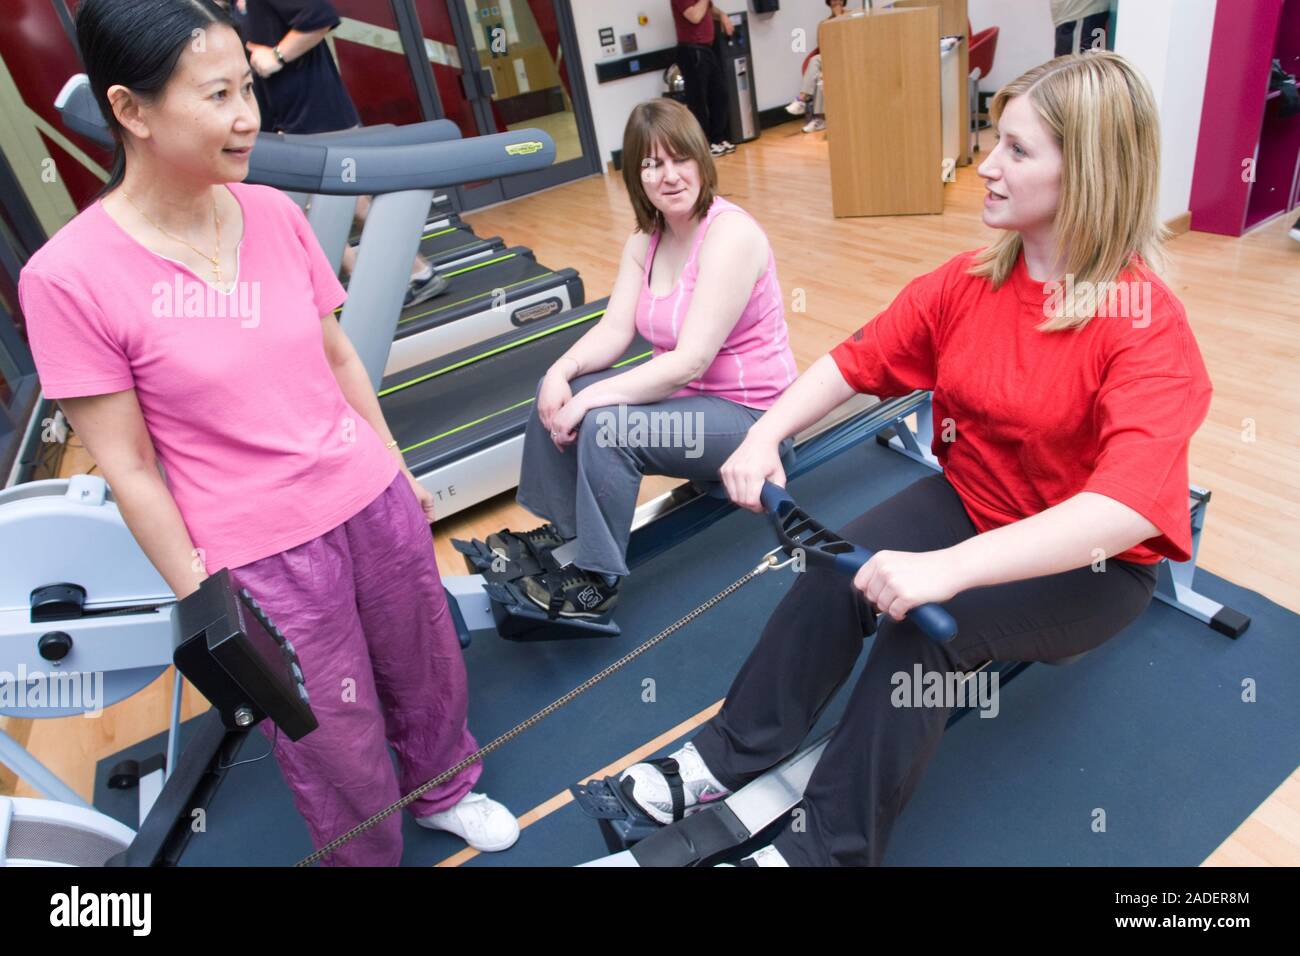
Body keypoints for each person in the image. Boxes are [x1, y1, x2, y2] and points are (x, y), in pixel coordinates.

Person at [621, 52, 1213, 866]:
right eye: (992, 141)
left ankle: (826, 848)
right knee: (832, 565)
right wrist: (763, 433)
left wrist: (949, 571)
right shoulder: (971, 281)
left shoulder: (1145, 325)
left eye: (1016, 150)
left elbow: (1125, 506)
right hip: (976, 497)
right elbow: (858, 359)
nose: (986, 167)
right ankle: (728, 755)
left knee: (930, 634)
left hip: (1095, 563)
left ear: (1089, 173)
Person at [18, 0, 517, 865]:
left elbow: (340, 360)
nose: (249, 116)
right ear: (131, 111)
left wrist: (396, 475)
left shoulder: (274, 214)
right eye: (218, 96)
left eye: (247, 87)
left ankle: (446, 789)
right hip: (259, 554)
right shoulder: (67, 278)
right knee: (329, 730)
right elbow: (129, 463)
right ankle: (365, 854)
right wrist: (202, 592)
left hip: (368, 499)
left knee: (425, 666)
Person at [485, 98, 797, 619]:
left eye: (680, 159)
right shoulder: (646, 238)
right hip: (688, 404)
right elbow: (614, 328)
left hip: (751, 419)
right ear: (636, 175)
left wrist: (592, 401)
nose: (669, 176)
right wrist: (561, 374)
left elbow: (690, 361)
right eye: (652, 164)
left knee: (606, 423)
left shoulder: (730, 235)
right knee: (558, 390)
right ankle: (565, 535)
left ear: (702, 159)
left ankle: (595, 581)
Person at [237, 0, 446, 306]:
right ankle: (383, 284)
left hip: (318, 113)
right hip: (289, 119)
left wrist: (278, 56)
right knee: (315, 205)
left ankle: (411, 277)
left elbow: (319, 16)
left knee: (347, 201)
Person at [671, 0, 736, 157]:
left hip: (706, 49)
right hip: (691, 51)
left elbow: (708, 9)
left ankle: (717, 139)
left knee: (720, 94)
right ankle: (703, 144)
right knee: (698, 101)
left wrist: (722, 15)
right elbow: (694, 16)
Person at [785, 0, 850, 134]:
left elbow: (850, 39)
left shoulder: (852, 15)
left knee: (815, 60)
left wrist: (839, 17)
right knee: (821, 78)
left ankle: (801, 100)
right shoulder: (823, 24)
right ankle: (820, 120)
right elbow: (823, 47)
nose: (836, 1)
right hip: (831, 60)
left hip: (849, 57)